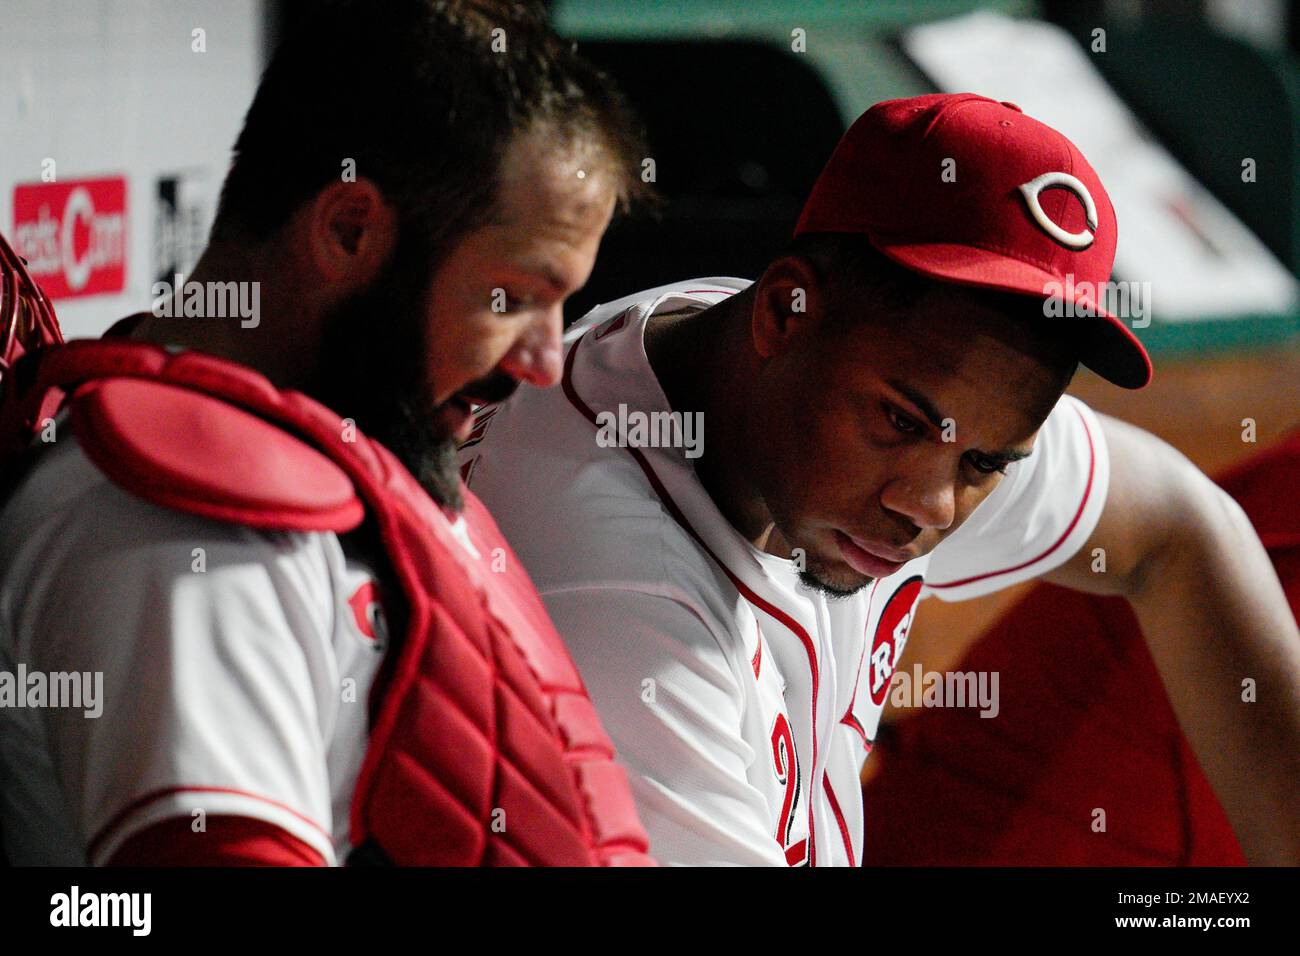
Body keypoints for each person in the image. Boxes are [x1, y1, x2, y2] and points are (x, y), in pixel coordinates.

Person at [460, 93, 1300, 865]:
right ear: (784, 311)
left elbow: (1181, 531)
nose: (930, 506)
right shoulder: (610, 600)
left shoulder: (813, 374)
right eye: (901, 423)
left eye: (985, 464)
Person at [0, 0, 654, 866]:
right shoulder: (178, 523)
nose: (542, 360)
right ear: (349, 230)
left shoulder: (367, 447)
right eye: (515, 298)